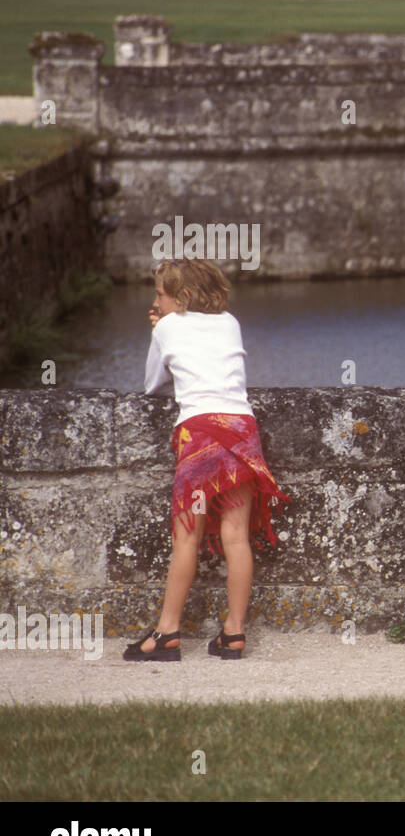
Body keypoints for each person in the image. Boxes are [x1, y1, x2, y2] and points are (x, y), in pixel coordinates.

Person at [123, 259, 289, 662]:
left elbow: (151, 385)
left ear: (180, 297)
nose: (154, 300)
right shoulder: (229, 322)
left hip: (200, 439)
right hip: (240, 432)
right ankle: (234, 634)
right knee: (236, 537)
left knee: (187, 538)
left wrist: (156, 330)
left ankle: (167, 633)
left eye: (159, 293)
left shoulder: (166, 326)